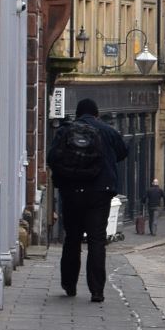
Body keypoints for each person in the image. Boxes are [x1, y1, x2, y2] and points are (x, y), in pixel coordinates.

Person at [48, 98, 127, 302]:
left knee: (72, 238)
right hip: (100, 192)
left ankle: (69, 285)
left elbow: (52, 158)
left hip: (72, 190)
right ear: (97, 114)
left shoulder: (65, 131)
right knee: (96, 240)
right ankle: (97, 291)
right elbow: (123, 152)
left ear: (77, 113)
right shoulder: (108, 131)